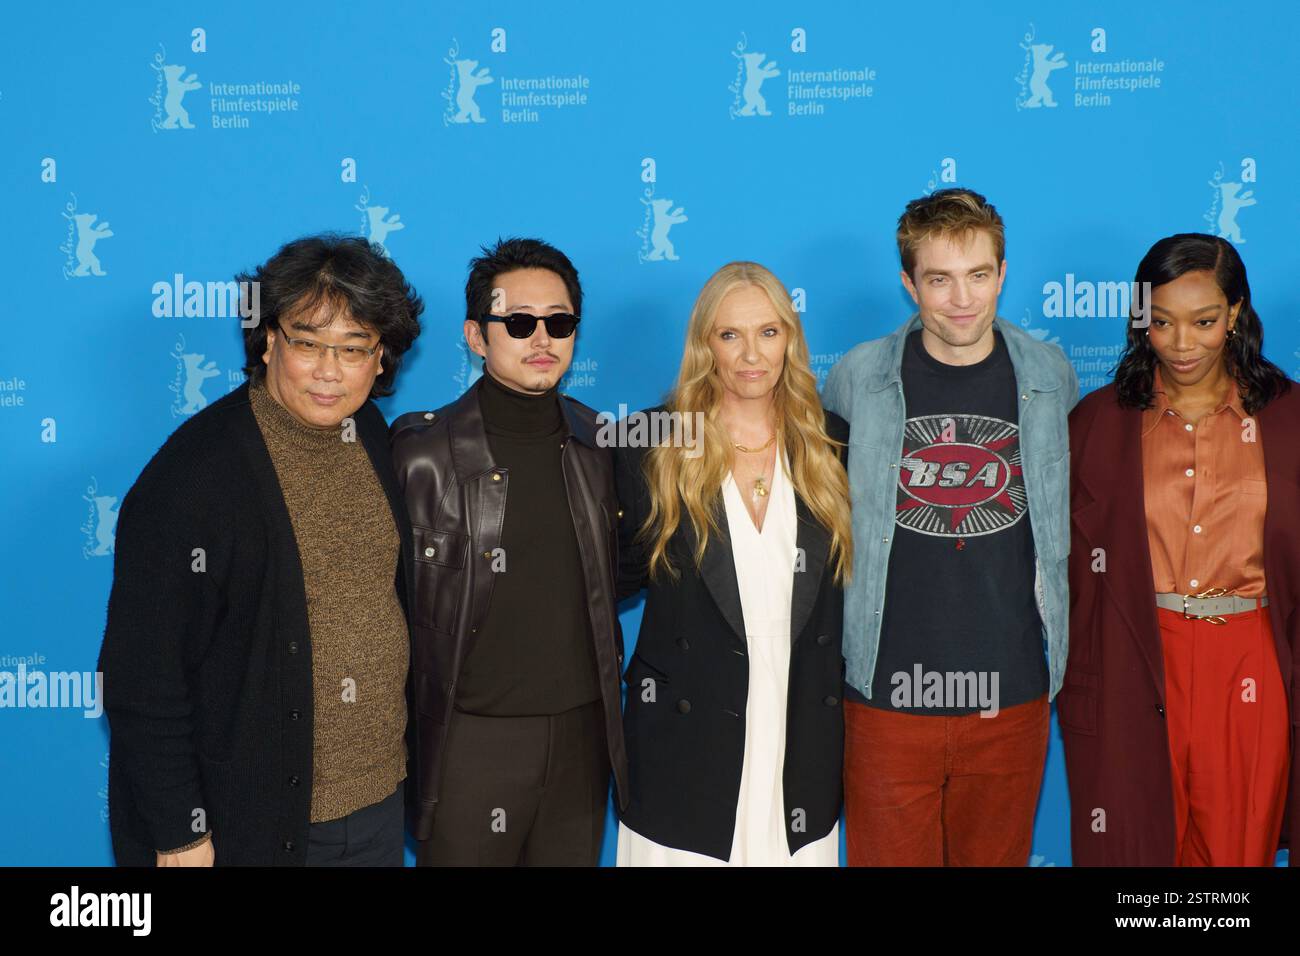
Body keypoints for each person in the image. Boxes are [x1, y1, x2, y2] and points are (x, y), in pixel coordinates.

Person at [100, 234, 423, 865]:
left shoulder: (374, 437)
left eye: (354, 349)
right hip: (253, 825)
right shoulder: (191, 481)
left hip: (381, 804)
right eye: (308, 342)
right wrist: (181, 834)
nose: (330, 371)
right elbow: (143, 679)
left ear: (381, 359)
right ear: (269, 340)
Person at [821, 188, 1078, 866]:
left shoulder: (1050, 377)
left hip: (1013, 697)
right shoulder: (857, 378)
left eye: (978, 275)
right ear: (910, 284)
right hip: (885, 699)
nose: (962, 299)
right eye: (939, 279)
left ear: (1002, 272)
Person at [1061, 233, 1298, 866]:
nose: (1182, 344)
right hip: (1133, 652)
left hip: (1251, 658)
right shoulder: (1096, 422)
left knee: (1235, 852)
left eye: (1204, 321)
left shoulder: (1289, 419)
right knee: (1134, 851)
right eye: (1161, 323)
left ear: (1237, 315)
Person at [389, 237, 628, 866]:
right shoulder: (419, 454)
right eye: (518, 323)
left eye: (560, 322)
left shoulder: (600, 445)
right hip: (469, 743)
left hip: (582, 741)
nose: (541, 337)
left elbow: (617, 574)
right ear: (476, 335)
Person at [614, 261, 851, 866]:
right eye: (730, 335)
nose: (751, 353)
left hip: (800, 737)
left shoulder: (832, 443)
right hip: (685, 745)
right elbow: (608, 582)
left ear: (790, 340)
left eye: (769, 333)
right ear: (705, 345)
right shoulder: (653, 442)